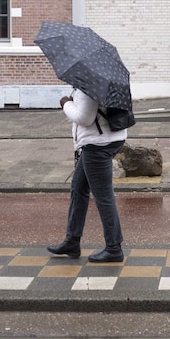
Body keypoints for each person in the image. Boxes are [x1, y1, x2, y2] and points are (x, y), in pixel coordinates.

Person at [47, 88, 128, 263]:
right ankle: (72, 241)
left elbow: (85, 118)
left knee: (103, 196)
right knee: (78, 188)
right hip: (108, 138)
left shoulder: (87, 89)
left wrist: (66, 103)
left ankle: (114, 248)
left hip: (97, 144)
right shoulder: (101, 82)